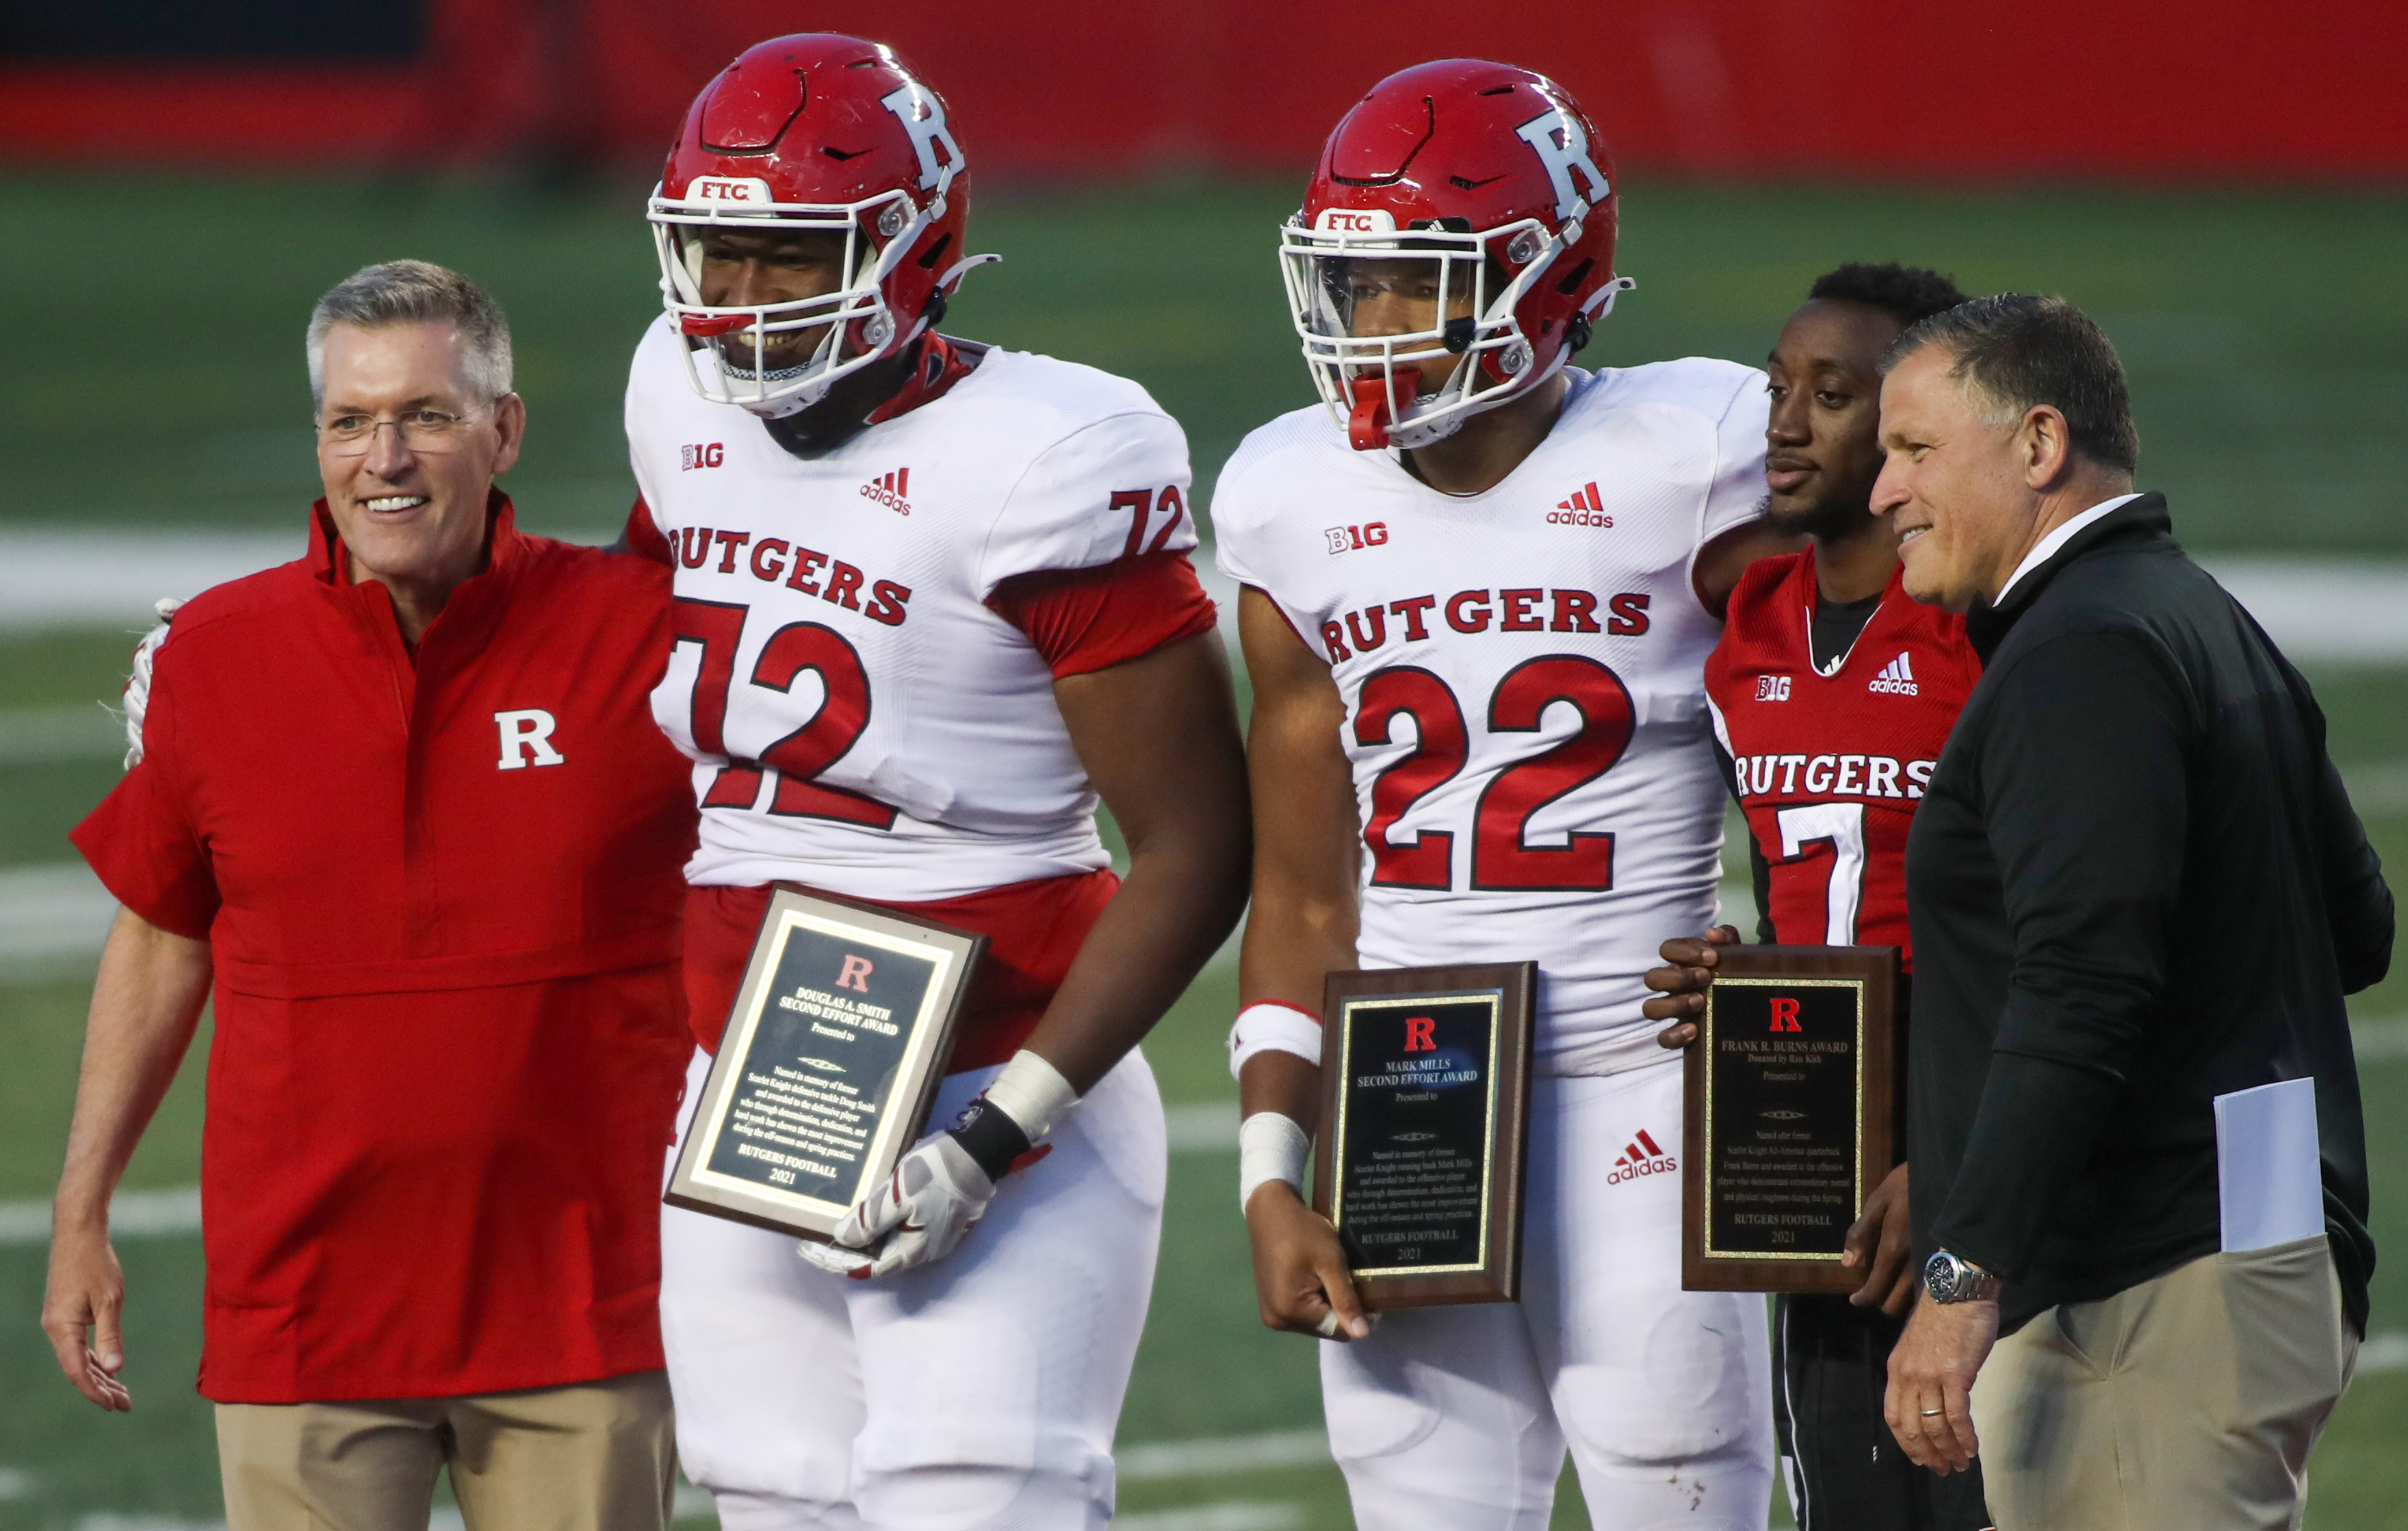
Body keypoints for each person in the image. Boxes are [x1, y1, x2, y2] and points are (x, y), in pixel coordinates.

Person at [623, 35, 1252, 1531]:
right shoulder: (676, 394)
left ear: (918, 251)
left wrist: (998, 1133)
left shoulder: (1047, 451)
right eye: (713, 249)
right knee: (767, 1495)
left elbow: (1195, 843)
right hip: (755, 1080)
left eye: (786, 257)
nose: (737, 300)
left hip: (998, 1066)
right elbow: (619, 634)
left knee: (982, 1500)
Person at [1214, 58, 1796, 1530]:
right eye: (1353, 284)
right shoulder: (1287, 496)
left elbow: (1832, 748)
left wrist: (1788, 967)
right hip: (1408, 1095)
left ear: (1555, 281)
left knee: (1683, 1494)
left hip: (1642, 1082)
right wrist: (1269, 1173)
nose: (1372, 328)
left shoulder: (1696, 452)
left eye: (1419, 283)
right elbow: (1298, 891)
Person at [43, 261, 697, 1531]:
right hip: (304, 1310)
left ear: (504, 430)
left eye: (428, 416)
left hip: (582, 1298)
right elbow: (163, 938)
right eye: (350, 421)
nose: (383, 458)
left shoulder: (639, 634)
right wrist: (83, 1212)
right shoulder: (213, 660)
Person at [1872, 294, 2391, 1529]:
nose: (1883, 492)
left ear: (2039, 445)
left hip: (2138, 1288)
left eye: (1913, 450)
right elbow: (2355, 928)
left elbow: (2084, 979)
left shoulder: (2079, 654)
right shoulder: (2200, 617)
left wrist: (1959, 1270)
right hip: (2244, 1242)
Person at [1640, 262, 1993, 1531]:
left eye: (1832, 394)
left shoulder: (1980, 619)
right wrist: (1740, 976)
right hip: (1807, 1157)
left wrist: (1952, 1152)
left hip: (1970, 1131)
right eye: (1781, 385)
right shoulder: (1751, 608)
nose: (1785, 422)